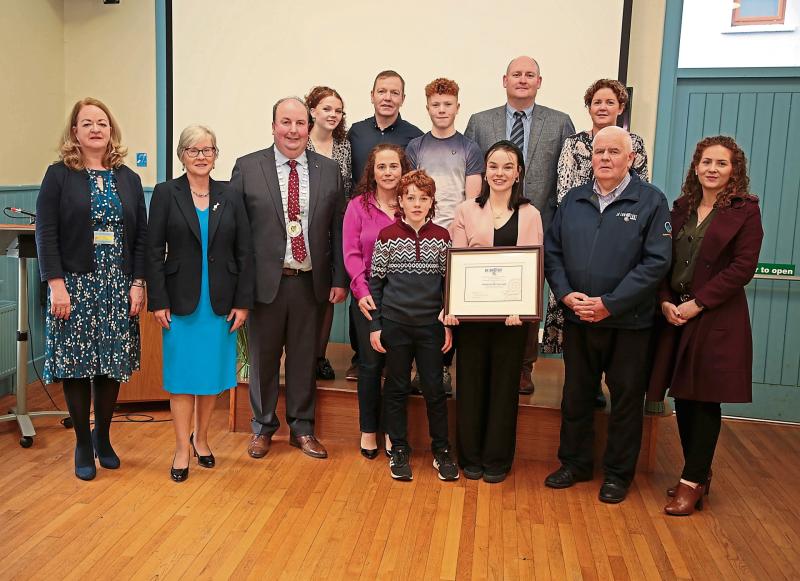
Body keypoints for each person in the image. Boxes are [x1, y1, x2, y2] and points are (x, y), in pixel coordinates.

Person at [543, 126, 671, 504]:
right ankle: (575, 464)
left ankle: (617, 474)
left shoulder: (650, 201)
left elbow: (655, 263)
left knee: (626, 400)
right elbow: (553, 252)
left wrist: (610, 303)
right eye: (599, 151)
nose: (605, 158)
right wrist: (566, 295)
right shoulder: (574, 200)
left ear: (630, 159)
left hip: (628, 323)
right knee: (576, 395)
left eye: (614, 152)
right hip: (579, 318)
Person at [647, 136, 763, 516]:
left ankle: (692, 482)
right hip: (674, 314)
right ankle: (697, 472)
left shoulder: (745, 211)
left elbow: (741, 268)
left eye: (722, 163)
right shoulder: (680, 208)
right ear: (696, 166)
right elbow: (661, 258)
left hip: (714, 317)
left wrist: (698, 304)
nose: (712, 169)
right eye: (706, 162)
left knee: (704, 400)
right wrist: (665, 300)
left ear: (734, 170)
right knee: (682, 397)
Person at [229, 97, 347, 461]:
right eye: (286, 122)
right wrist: (239, 287)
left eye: (300, 123)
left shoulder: (329, 170)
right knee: (264, 360)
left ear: (309, 127)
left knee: (303, 359)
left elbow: (338, 229)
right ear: (273, 126)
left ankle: (302, 429)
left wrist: (339, 278)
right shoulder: (248, 167)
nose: (293, 130)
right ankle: (263, 428)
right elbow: (234, 232)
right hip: (266, 283)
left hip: (310, 281)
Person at [35, 97, 147, 481]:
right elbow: (45, 232)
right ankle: (83, 442)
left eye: (102, 122)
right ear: (75, 133)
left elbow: (141, 238)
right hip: (74, 286)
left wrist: (137, 283)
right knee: (78, 368)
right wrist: (56, 285)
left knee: (111, 365)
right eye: (87, 123)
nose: (96, 128)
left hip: (118, 285)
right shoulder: (58, 175)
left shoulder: (128, 179)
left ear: (111, 130)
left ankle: (104, 437)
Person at [146, 125, 254, 482]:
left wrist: (243, 302)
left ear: (215, 155)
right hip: (179, 302)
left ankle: (202, 440)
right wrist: (158, 299)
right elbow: (152, 250)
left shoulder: (230, 194)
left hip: (220, 302)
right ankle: (180, 449)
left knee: (209, 377)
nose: (202, 156)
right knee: (181, 379)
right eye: (194, 150)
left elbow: (244, 251)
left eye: (209, 150)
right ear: (181, 155)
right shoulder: (166, 193)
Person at [465, 56, 575, 394]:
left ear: (540, 81)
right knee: (483, 295)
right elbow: (471, 172)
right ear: (504, 80)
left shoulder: (559, 123)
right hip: (488, 222)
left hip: (534, 225)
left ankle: (524, 367)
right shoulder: (479, 122)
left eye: (530, 75)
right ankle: (481, 362)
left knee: (527, 298)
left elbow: (566, 177)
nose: (523, 79)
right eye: (517, 74)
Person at [543, 78, 650, 408]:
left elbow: (652, 256)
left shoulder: (648, 194)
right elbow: (562, 198)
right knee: (577, 387)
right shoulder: (573, 153)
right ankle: (573, 454)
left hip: (622, 303)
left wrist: (610, 301)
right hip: (577, 240)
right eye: (596, 102)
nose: (604, 157)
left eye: (609, 102)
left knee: (623, 393)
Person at [445, 140, 544, 483]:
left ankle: (497, 459)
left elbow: (535, 268)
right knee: (470, 384)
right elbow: (456, 262)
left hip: (512, 320)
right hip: (471, 319)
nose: (499, 173)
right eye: (493, 166)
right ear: (484, 171)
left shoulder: (531, 214)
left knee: (504, 388)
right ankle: (469, 456)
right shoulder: (466, 210)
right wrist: (453, 306)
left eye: (507, 167)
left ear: (518, 173)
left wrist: (524, 308)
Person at [369, 170, 458, 481]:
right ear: (401, 201)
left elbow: (450, 284)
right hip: (395, 325)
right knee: (396, 386)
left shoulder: (442, 237)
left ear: (432, 202)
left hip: (431, 327)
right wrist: (376, 325)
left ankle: (442, 450)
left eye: (423, 198)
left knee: (434, 388)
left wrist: (447, 323)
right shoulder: (387, 236)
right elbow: (376, 283)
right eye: (411, 198)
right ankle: (400, 449)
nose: (417, 204)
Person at [406, 77, 484, 392]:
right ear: (427, 108)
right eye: (436, 105)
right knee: (421, 301)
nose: (442, 109)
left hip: (454, 236)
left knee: (447, 303)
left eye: (447, 104)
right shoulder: (415, 147)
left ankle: (443, 368)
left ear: (457, 107)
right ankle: (418, 368)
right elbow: (410, 192)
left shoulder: (469, 148)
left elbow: (473, 199)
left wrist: (457, 230)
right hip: (420, 233)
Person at [346, 70, 423, 381]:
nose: (388, 97)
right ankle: (360, 356)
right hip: (362, 226)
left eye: (394, 92)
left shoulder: (414, 136)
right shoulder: (355, 132)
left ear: (403, 98)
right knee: (367, 358)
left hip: (403, 291)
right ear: (372, 95)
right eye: (382, 91)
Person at [343, 144, 410, 459]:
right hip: (368, 294)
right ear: (372, 170)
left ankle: (393, 432)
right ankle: (369, 430)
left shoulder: (411, 205)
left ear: (403, 169)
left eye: (394, 166)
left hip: (403, 296)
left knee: (397, 368)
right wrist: (360, 289)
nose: (388, 172)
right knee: (370, 365)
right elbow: (351, 252)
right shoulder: (358, 206)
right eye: (381, 167)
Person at [305, 86, 353, 381]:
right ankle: (302, 356)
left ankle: (319, 356)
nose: (333, 114)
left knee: (327, 295)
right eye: (326, 109)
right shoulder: (298, 143)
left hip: (336, 229)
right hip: (303, 231)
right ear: (312, 111)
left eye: (338, 110)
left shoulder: (344, 146)